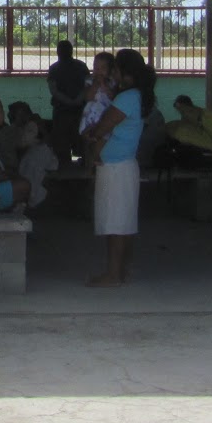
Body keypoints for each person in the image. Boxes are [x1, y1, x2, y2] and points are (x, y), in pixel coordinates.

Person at [84, 48, 154, 287]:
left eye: (114, 68)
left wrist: (92, 135)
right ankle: (121, 270)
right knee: (122, 223)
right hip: (123, 165)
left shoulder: (126, 98)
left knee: (114, 224)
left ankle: (113, 274)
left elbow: (103, 127)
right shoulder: (137, 96)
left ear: (123, 71)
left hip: (115, 167)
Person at [47, 40, 90, 166]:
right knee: (80, 137)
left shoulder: (54, 68)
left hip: (62, 109)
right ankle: (84, 163)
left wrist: (68, 101)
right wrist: (77, 100)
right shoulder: (81, 66)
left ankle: (64, 165)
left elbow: (53, 90)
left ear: (57, 52)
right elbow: (88, 86)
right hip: (79, 108)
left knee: (62, 141)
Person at [78, 51, 117, 168]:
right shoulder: (89, 82)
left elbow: (113, 97)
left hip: (105, 117)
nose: (98, 71)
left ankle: (97, 165)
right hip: (91, 118)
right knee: (89, 144)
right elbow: (88, 97)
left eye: (102, 68)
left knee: (100, 145)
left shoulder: (114, 83)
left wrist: (104, 85)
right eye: (96, 67)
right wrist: (96, 85)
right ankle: (89, 167)